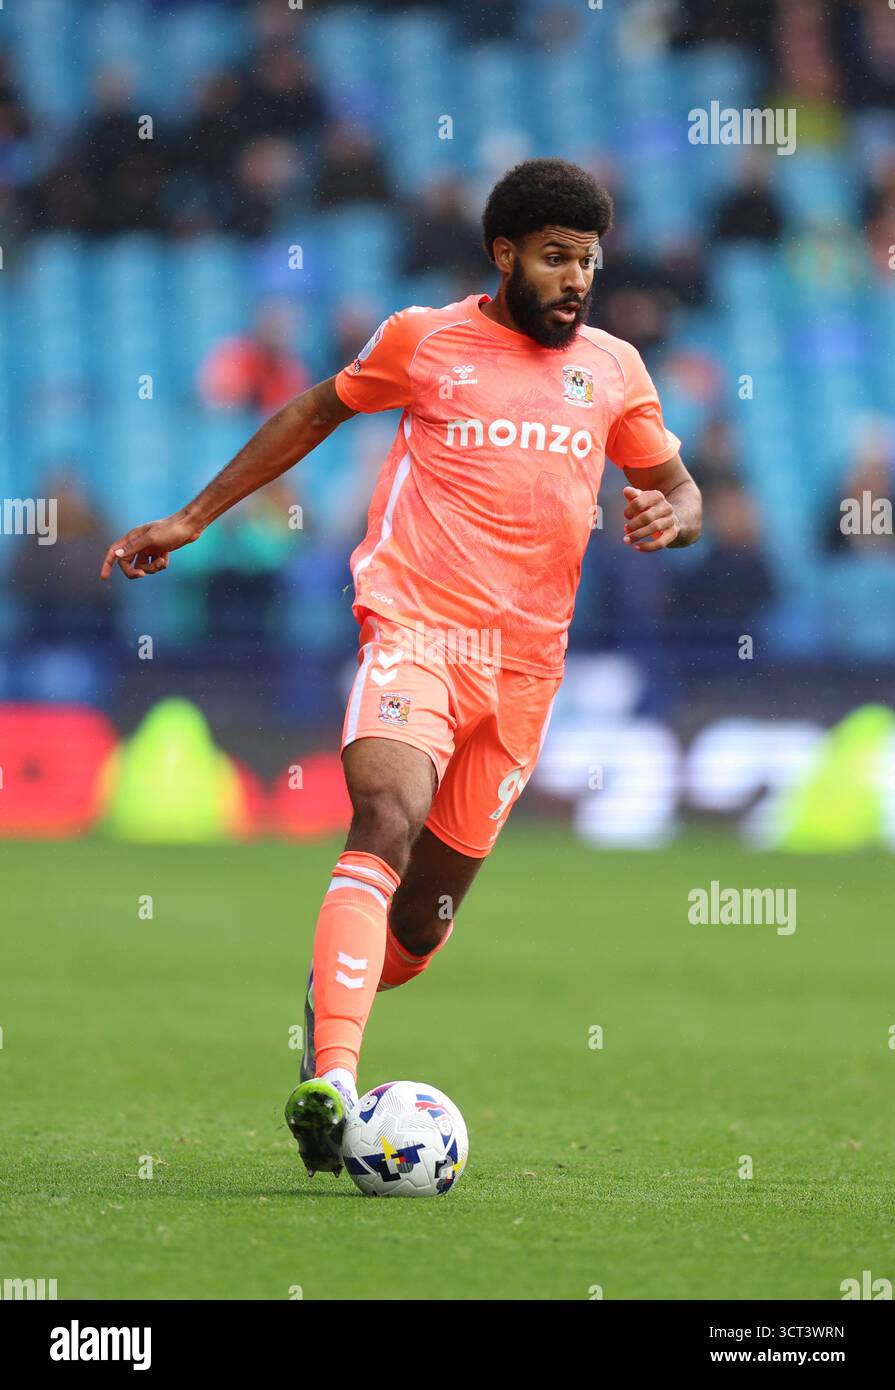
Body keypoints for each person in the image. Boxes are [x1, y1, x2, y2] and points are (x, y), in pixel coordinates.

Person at [99, 158, 701, 1179]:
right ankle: (332, 1078)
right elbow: (313, 411)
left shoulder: (614, 369)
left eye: (588, 261)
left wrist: (667, 516)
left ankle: (331, 994)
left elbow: (677, 491)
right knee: (383, 813)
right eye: (555, 257)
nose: (575, 279)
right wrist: (194, 518)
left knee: (419, 924)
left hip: (523, 675)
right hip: (416, 632)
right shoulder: (425, 340)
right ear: (503, 253)